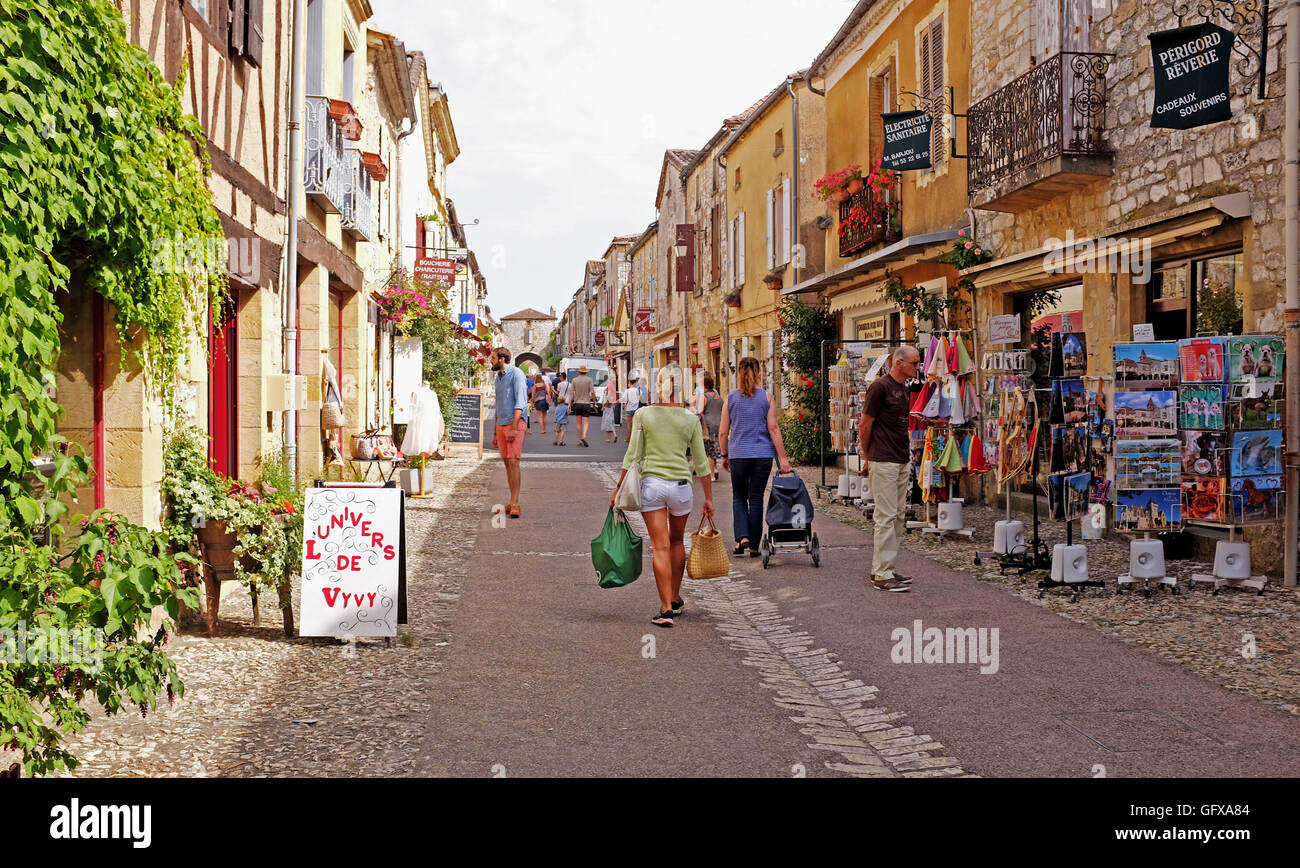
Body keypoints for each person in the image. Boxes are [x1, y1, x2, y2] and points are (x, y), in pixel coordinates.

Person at [612, 367, 714, 627]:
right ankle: (676, 597)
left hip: (653, 486)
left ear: (657, 386)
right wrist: (709, 498)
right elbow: (702, 463)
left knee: (660, 546)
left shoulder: (644, 414)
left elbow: (633, 455)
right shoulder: (690, 418)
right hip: (681, 487)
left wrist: (618, 487)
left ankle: (666, 608)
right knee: (678, 542)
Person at [860, 345, 921, 592]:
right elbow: (865, 425)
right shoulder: (879, 387)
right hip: (883, 458)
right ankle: (881, 574)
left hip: (900, 458)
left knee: (897, 516)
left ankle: (885, 567)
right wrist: (868, 457)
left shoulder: (903, 388)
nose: (918, 367)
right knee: (885, 517)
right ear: (898, 363)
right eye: (914, 363)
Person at [718, 357, 792, 557]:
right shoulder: (766, 398)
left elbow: (723, 433)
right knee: (756, 498)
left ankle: (742, 537)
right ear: (758, 373)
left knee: (739, 497)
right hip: (762, 456)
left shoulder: (730, 399)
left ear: (738, 374)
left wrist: (724, 455)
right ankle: (753, 547)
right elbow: (773, 428)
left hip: (738, 456)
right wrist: (783, 459)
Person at [490, 347, 529, 518]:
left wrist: (514, 427)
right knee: (507, 463)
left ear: (501, 359)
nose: (490, 360)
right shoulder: (498, 379)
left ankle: (515, 503)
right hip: (501, 425)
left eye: (492, 357)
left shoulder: (517, 374)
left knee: (513, 462)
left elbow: (521, 402)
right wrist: (494, 432)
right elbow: (498, 407)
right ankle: (511, 500)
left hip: (515, 423)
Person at [692, 372, 723, 481]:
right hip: (719, 423)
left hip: (707, 424)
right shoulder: (718, 396)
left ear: (704, 385)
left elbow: (700, 411)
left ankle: (711, 476)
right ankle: (715, 469)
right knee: (715, 447)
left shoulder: (704, 397)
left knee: (708, 450)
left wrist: (693, 409)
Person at [570, 364, 596, 447]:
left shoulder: (574, 380)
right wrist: (595, 402)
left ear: (579, 372)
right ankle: (584, 436)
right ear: (586, 372)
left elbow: (571, 392)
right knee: (585, 422)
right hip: (586, 403)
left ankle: (580, 440)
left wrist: (569, 403)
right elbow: (592, 392)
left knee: (578, 423)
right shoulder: (589, 380)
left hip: (577, 403)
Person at [622, 376, 647, 443]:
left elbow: (624, 399)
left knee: (629, 424)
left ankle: (628, 439)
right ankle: (636, 439)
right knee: (636, 424)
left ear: (630, 383)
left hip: (629, 409)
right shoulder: (638, 390)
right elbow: (642, 399)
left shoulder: (627, 391)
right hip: (636, 409)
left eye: (628, 382)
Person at [552, 372, 570, 446]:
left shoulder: (559, 384)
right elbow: (568, 412)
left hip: (558, 420)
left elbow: (558, 393)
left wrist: (554, 391)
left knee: (557, 431)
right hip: (567, 401)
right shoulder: (570, 384)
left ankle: (555, 441)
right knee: (563, 431)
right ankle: (561, 441)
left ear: (562, 377)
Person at [600, 375, 619, 443]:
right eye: (614, 378)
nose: (615, 379)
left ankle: (610, 437)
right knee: (610, 420)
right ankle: (612, 435)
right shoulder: (613, 385)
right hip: (612, 404)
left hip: (609, 404)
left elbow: (609, 395)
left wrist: (604, 406)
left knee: (607, 420)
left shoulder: (609, 385)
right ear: (611, 378)